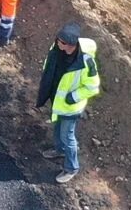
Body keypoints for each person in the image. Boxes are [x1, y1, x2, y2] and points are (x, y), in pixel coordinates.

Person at [35, 25, 101, 183]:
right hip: (58, 102)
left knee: (68, 136)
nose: (57, 43)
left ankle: (71, 168)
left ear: (71, 45)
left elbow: (92, 87)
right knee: (57, 129)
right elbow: (49, 64)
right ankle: (60, 151)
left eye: (61, 42)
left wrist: (73, 97)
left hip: (71, 107)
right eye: (58, 40)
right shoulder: (56, 50)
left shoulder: (86, 63)